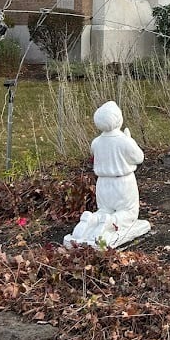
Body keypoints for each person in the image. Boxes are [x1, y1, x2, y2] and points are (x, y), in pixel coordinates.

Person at [64, 101, 149, 249]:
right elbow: (139, 157)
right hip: (122, 183)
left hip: (103, 183)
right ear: (118, 119)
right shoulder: (124, 141)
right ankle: (110, 222)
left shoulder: (96, 142)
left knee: (104, 209)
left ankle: (92, 219)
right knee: (129, 213)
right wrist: (130, 141)